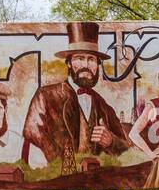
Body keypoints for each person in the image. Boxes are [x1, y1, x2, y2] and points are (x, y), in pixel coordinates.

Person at [21, 22, 131, 173]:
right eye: (79, 58)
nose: (86, 64)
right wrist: (63, 165)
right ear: (69, 63)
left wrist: (111, 142)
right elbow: (32, 132)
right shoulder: (46, 96)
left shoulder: (103, 105)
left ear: (97, 65)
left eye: (91, 59)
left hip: (95, 179)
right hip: (58, 178)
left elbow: (127, 150)